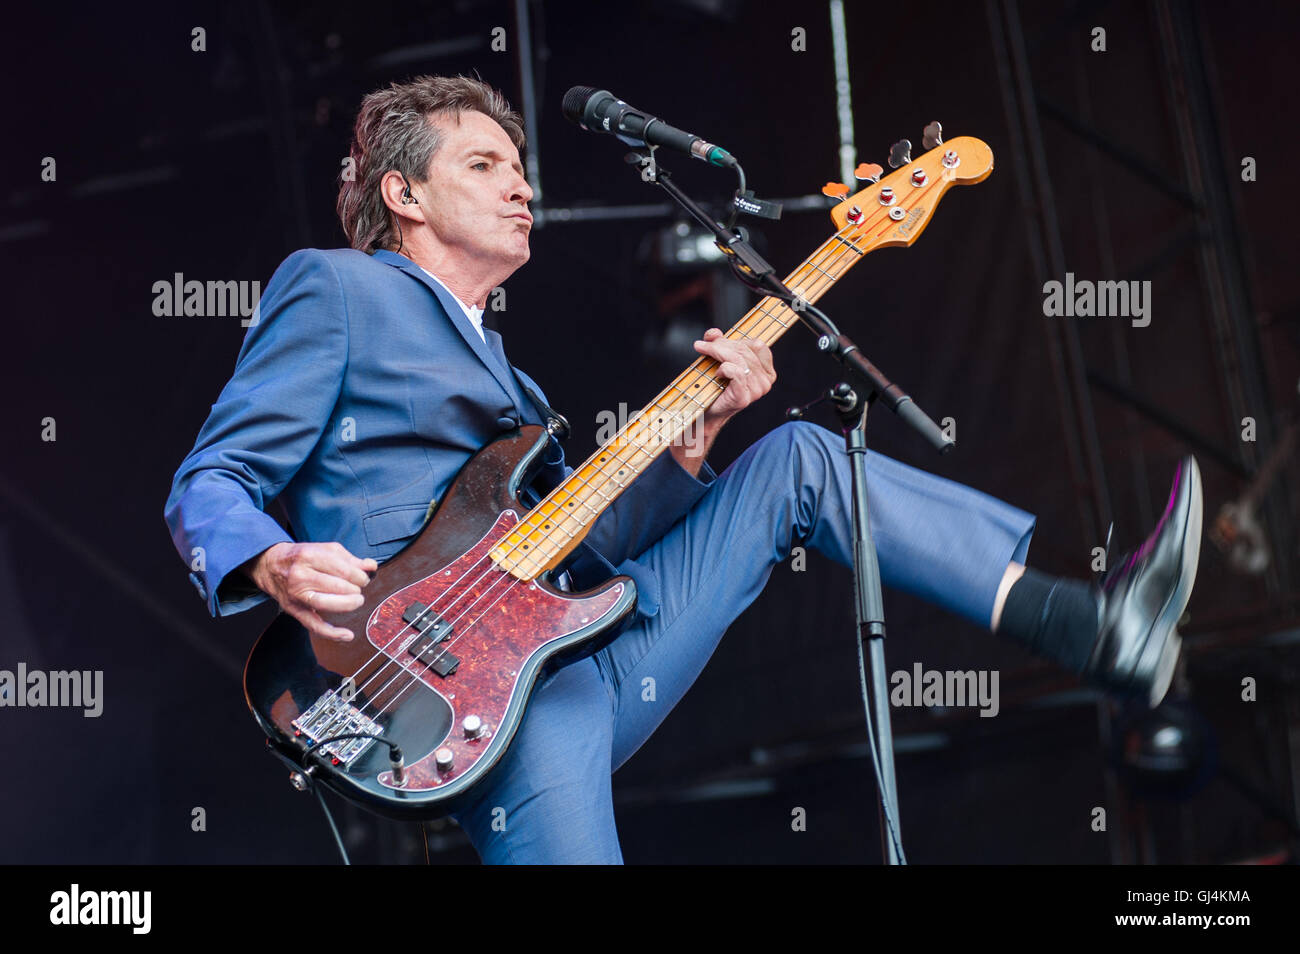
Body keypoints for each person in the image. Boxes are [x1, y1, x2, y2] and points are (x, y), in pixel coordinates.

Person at [164, 74, 1204, 864]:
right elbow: (209, 478)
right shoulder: (338, 290)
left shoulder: (520, 398)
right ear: (404, 193)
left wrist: (695, 443)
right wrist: (272, 564)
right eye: (482, 164)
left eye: (519, 164)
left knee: (795, 455)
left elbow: (602, 543)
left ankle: (1083, 623)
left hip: (563, 648)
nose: (520, 183)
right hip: (425, 680)